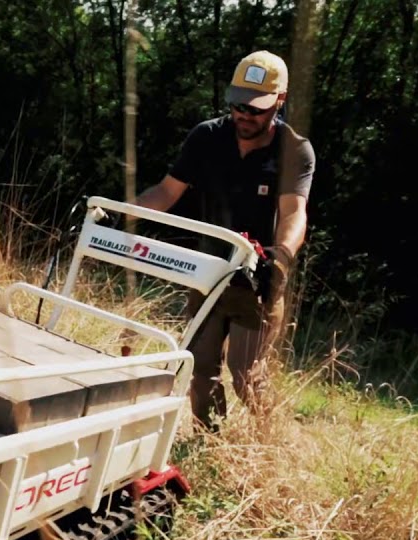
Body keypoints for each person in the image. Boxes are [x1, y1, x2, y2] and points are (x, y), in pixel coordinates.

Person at [134, 50, 315, 431]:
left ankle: (269, 443)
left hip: (258, 279)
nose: (245, 115)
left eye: (257, 108)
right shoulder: (207, 137)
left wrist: (280, 258)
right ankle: (209, 440)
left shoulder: (294, 150)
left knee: (246, 375)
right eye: (238, 104)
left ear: (279, 102)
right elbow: (167, 192)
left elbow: (295, 212)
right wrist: (120, 213)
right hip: (208, 274)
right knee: (199, 371)